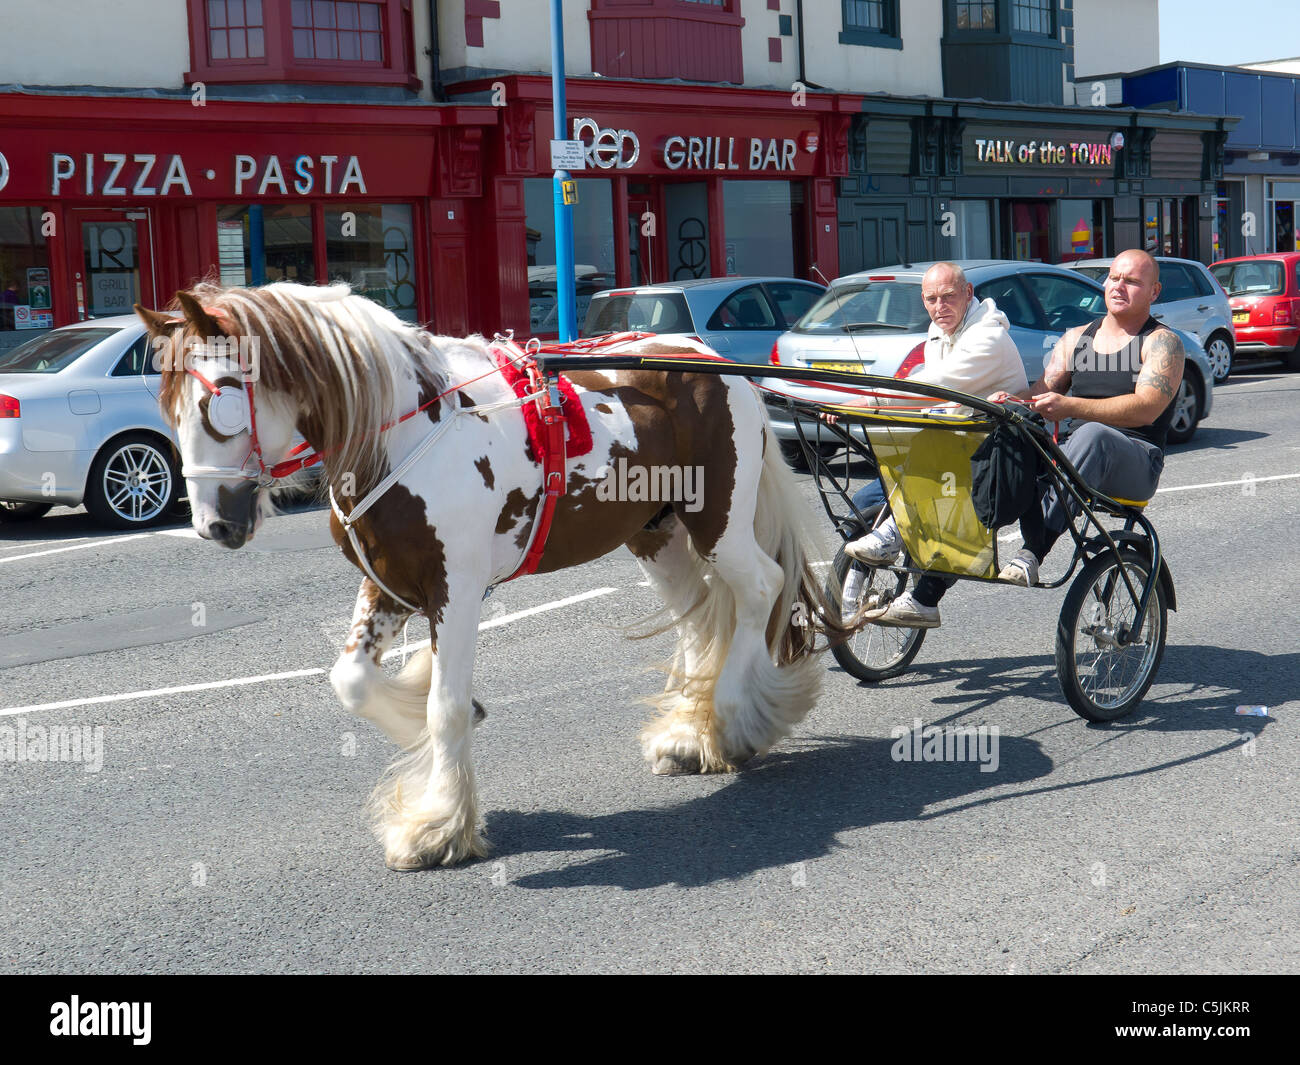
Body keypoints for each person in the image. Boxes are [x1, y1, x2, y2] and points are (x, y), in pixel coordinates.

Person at [841, 261, 1028, 628]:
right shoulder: (936, 334)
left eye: (948, 297)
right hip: (952, 451)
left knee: (944, 511)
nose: (939, 306)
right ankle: (845, 599)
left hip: (996, 459)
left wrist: (867, 403)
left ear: (968, 294)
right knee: (863, 504)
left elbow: (936, 386)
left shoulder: (988, 337)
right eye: (931, 299)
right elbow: (924, 395)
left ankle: (913, 582)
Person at [989, 248, 1184, 586]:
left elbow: (1147, 407)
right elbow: (1037, 394)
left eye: (1133, 281)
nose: (1119, 286)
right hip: (1073, 453)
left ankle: (1034, 550)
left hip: (1135, 460)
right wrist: (1003, 403)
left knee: (1093, 434)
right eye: (1114, 278)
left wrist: (1071, 407)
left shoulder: (1162, 342)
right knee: (1006, 432)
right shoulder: (1076, 337)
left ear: (1154, 292)